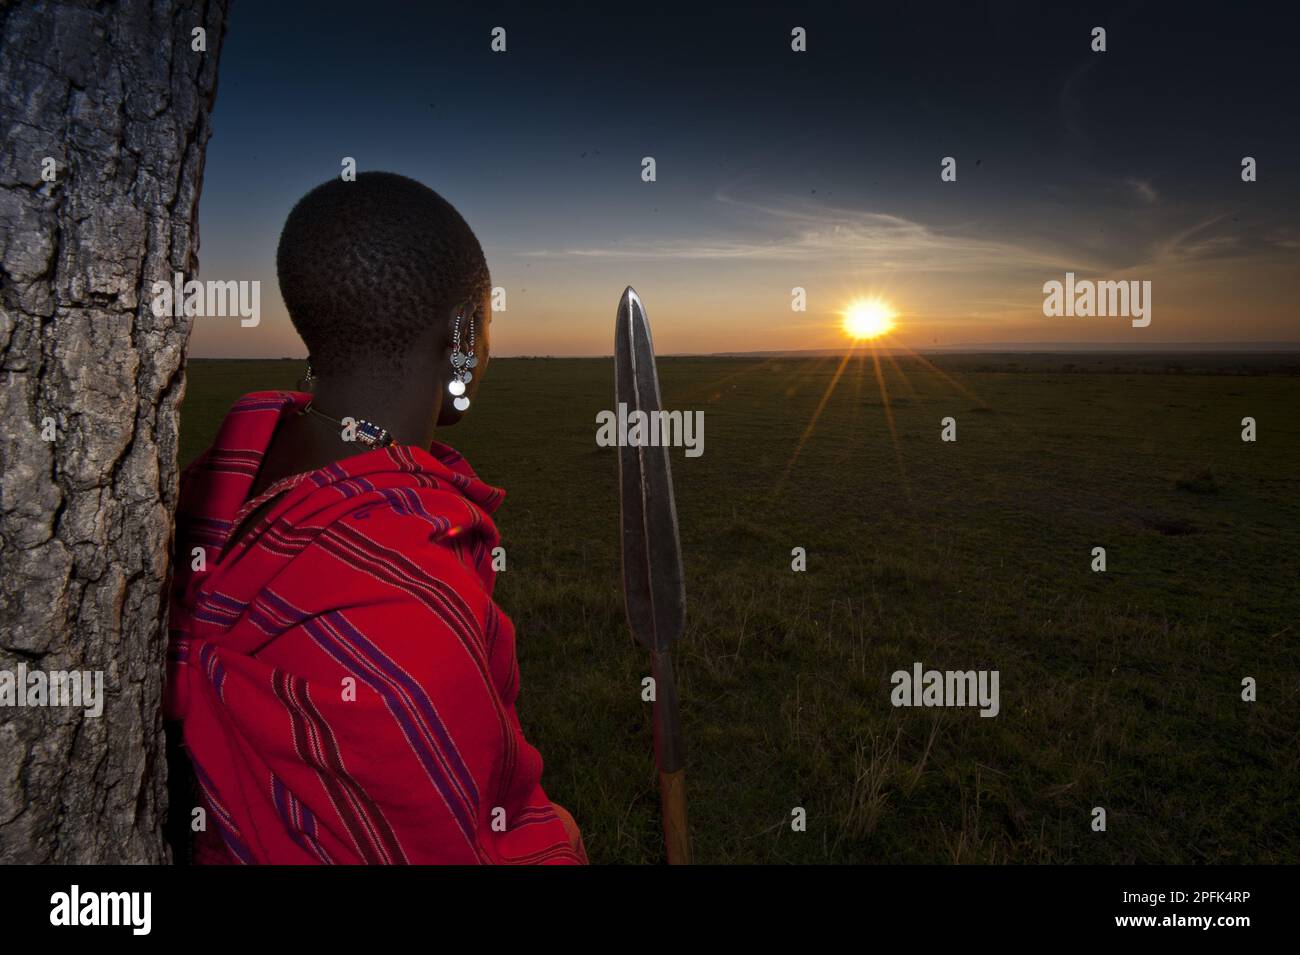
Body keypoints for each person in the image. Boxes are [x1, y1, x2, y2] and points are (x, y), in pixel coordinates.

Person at [165, 172, 585, 864]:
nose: (484, 354)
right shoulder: (407, 610)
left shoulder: (222, 475)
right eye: (483, 330)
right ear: (461, 335)